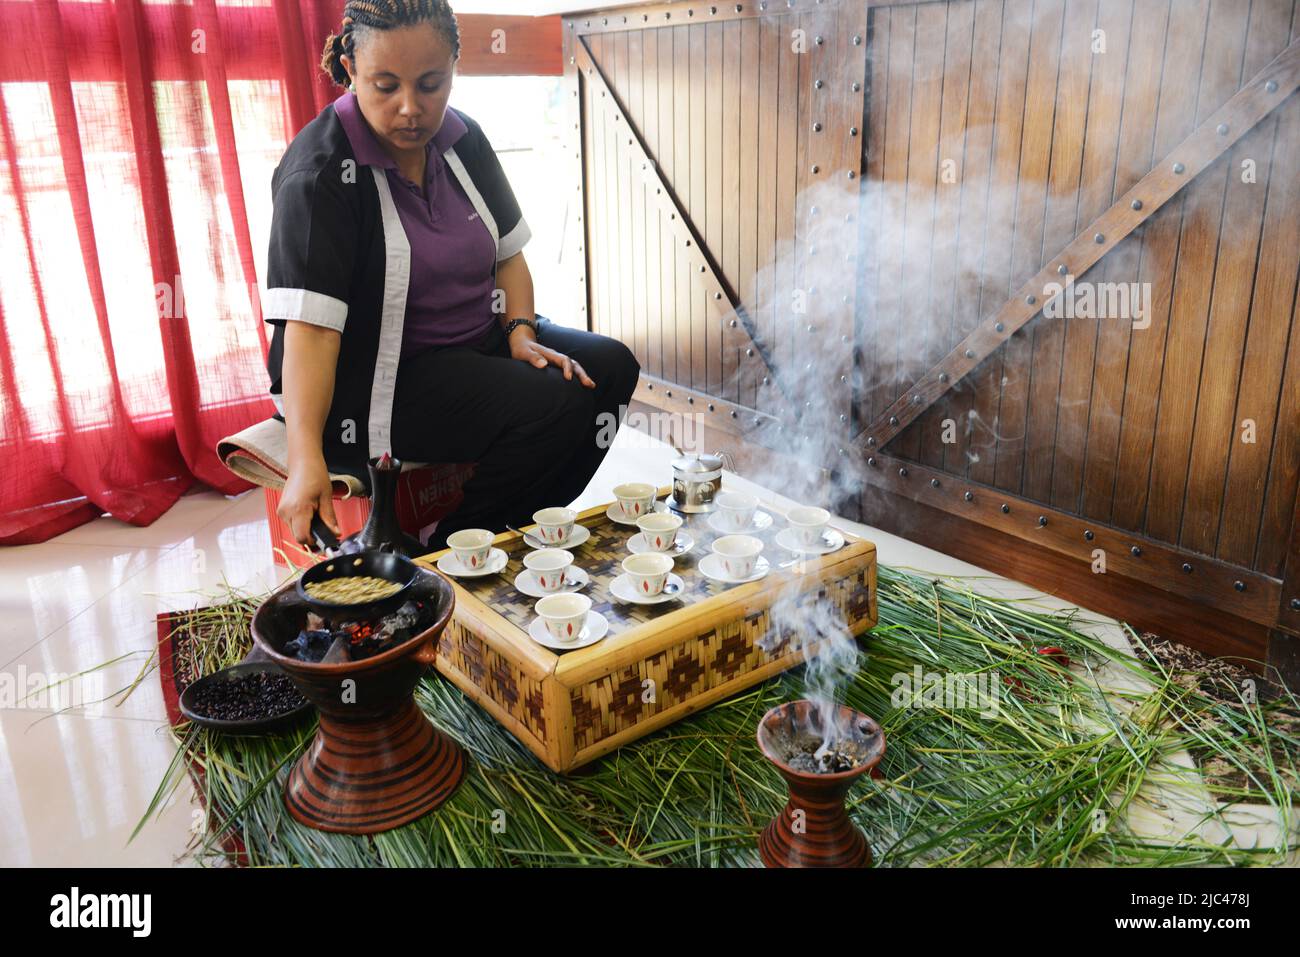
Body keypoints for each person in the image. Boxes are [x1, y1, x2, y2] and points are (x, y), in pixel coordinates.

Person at [264, 0, 640, 553]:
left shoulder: (464, 139)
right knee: (554, 404)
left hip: (475, 340)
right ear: (350, 69)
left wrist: (519, 332)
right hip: (375, 377)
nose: (410, 109)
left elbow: (509, 256)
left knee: (609, 368)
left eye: (431, 84)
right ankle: (455, 552)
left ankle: (521, 530)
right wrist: (305, 461)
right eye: (385, 86)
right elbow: (313, 330)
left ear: (455, 69)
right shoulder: (320, 174)